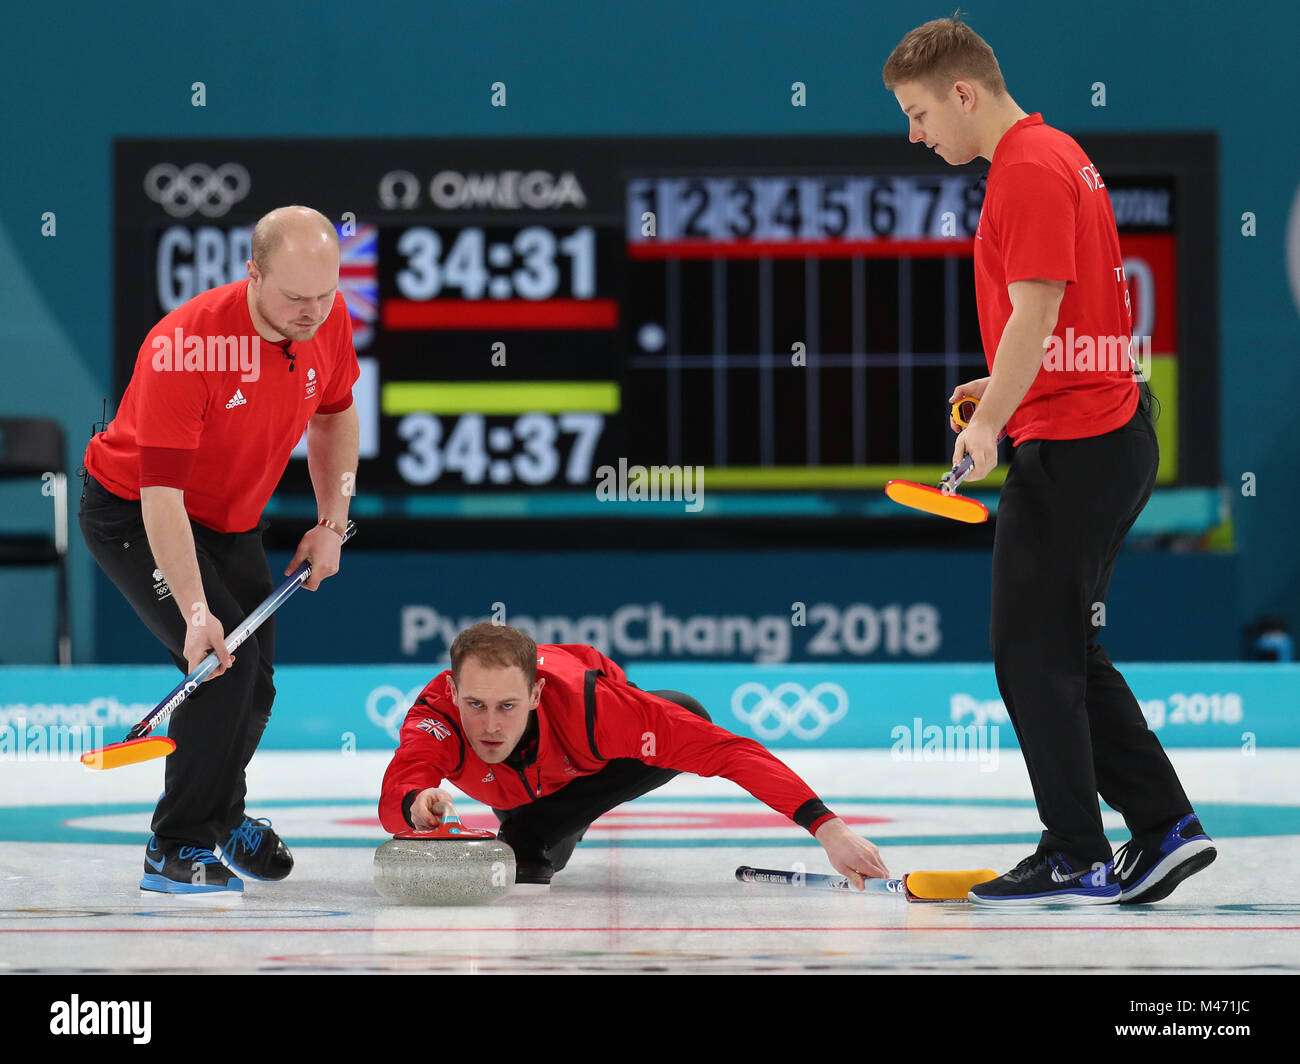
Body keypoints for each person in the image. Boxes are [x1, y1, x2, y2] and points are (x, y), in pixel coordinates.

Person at [882, 16, 1215, 904]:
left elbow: (1035, 314)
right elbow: (1068, 322)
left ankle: (1075, 849)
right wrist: (1003, 385)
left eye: (919, 114)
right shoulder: (1055, 151)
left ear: (963, 92)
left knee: (1033, 656)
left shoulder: (1024, 171)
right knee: (1058, 652)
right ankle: (1164, 828)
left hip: (1077, 447)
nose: (915, 135)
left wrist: (988, 424)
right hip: (1105, 429)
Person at [80, 206, 360, 894]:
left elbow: (336, 413)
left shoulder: (330, 316)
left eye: (325, 294)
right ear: (253, 275)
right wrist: (196, 610)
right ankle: (174, 843)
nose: (314, 312)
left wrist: (334, 519)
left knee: (255, 678)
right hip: (133, 511)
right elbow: (161, 500)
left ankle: (220, 815)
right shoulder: (186, 346)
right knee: (221, 666)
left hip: (230, 520)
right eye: (295, 297)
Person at [379, 622, 890, 887]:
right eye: (476, 705)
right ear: (452, 690)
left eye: (508, 706)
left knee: (687, 712)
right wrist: (416, 803)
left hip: (586, 769)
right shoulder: (437, 714)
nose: (491, 725)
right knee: (528, 857)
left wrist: (829, 828)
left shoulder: (595, 707)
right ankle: (534, 830)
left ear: (536, 695)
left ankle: (536, 829)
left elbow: (728, 752)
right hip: (521, 794)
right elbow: (404, 781)